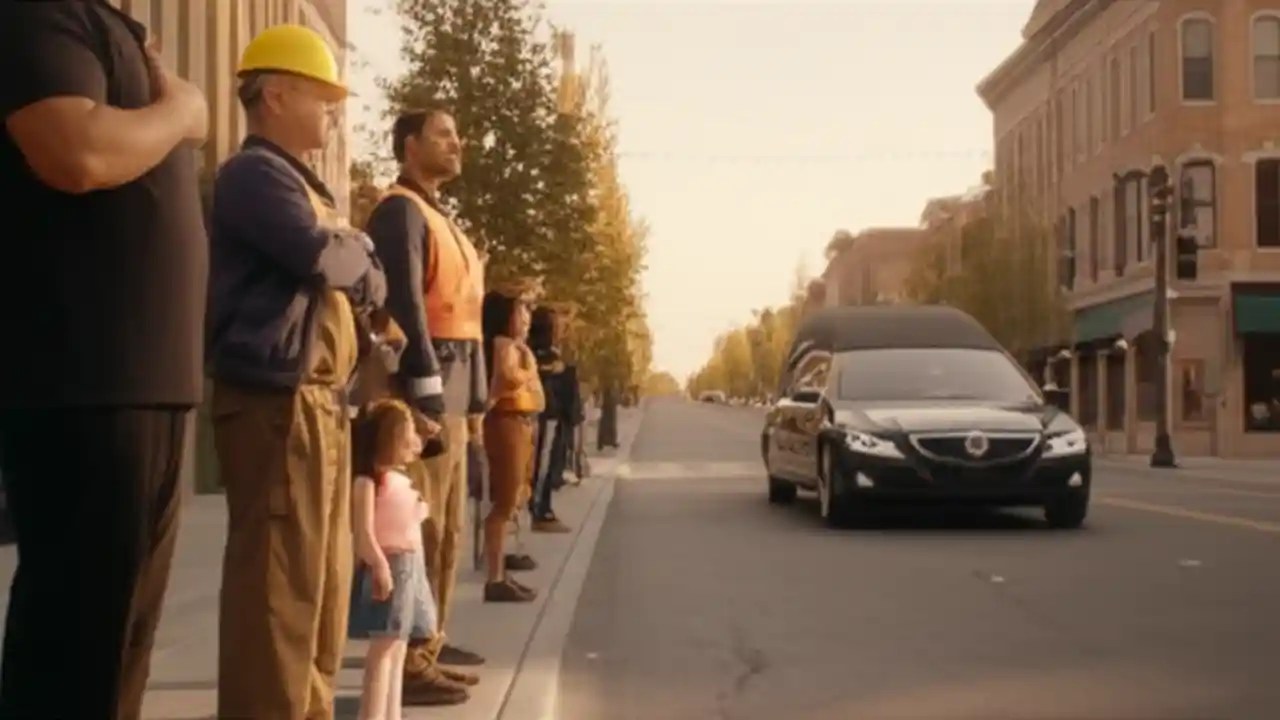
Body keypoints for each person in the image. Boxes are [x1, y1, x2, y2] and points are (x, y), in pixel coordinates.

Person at [0, 3, 208, 718]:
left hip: (140, 383)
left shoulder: (104, 23)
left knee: (120, 646)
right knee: (75, 647)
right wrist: (181, 110)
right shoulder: (40, 13)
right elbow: (77, 152)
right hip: (88, 380)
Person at [206, 24, 389, 720]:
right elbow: (331, 262)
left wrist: (357, 254)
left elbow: (363, 270)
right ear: (275, 94)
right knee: (278, 600)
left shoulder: (296, 183)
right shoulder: (253, 175)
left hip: (314, 407)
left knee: (317, 596)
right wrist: (355, 251)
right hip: (278, 406)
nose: (331, 114)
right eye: (322, 98)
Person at [364, 106, 488, 704]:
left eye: (455, 133)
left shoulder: (444, 219)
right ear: (410, 146)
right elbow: (407, 303)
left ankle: (429, 642)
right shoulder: (400, 211)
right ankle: (409, 660)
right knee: (421, 529)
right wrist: (425, 387)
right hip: (429, 388)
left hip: (458, 388)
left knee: (449, 529)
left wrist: (478, 394)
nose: (456, 142)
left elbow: (470, 315)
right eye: (443, 134)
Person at [349, 399, 439, 720]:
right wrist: (378, 564)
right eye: (408, 436)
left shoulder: (399, 479)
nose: (415, 444)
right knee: (383, 651)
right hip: (389, 567)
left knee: (398, 649)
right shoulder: (368, 483)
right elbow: (362, 534)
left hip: (409, 569)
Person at [482, 289, 546, 601]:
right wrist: (529, 371)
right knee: (504, 501)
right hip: (507, 421)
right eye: (520, 313)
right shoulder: (504, 345)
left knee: (516, 495)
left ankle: (501, 569)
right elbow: (507, 378)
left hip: (522, 422)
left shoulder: (518, 347)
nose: (526, 320)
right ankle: (494, 575)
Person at [528, 306, 573, 533]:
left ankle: (539, 508)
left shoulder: (551, 352)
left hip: (549, 413)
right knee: (540, 465)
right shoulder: (539, 353)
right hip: (541, 415)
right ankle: (540, 511)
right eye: (557, 325)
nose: (561, 330)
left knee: (545, 464)